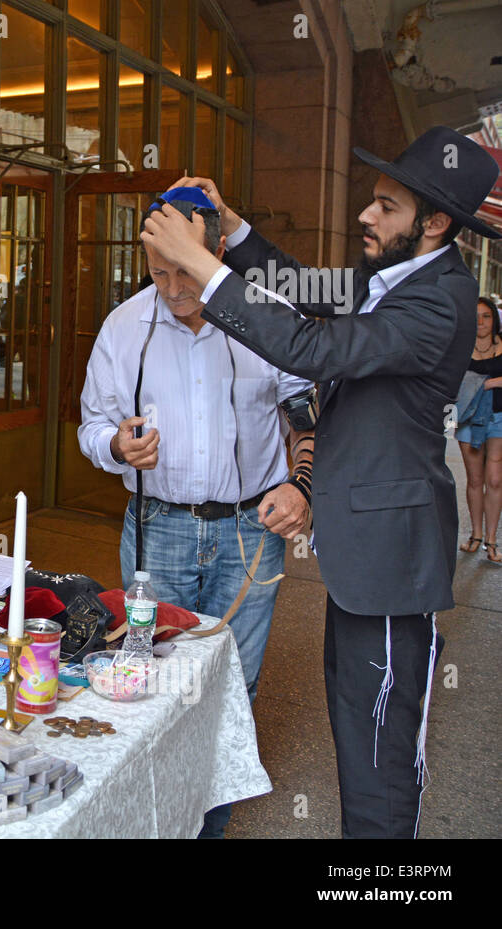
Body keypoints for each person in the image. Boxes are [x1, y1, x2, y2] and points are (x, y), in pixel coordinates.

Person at [141, 125, 500, 837]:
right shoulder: (389, 276)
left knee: (383, 759)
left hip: (392, 566)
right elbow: (306, 290)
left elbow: (309, 346)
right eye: (372, 200)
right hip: (362, 556)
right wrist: (235, 231)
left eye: (386, 207)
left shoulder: (441, 301)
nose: (367, 216)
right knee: (357, 740)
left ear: (433, 223)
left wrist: (200, 268)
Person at [79, 187, 316, 839]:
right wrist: (115, 443)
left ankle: (207, 829)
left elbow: (305, 403)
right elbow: (92, 425)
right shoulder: (124, 327)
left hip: (251, 532)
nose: (175, 287)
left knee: (231, 690)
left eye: (187, 267)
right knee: (149, 685)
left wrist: (303, 486)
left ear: (216, 249)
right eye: (160, 269)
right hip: (160, 530)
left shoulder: (265, 314)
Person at [456, 297, 502, 564]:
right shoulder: (460, 348)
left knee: (495, 480)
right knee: (475, 480)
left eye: (486, 316)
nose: (481, 322)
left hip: (498, 418)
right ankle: (475, 534)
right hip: (469, 420)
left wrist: (488, 382)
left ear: (494, 319)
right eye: (475, 317)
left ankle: (491, 540)